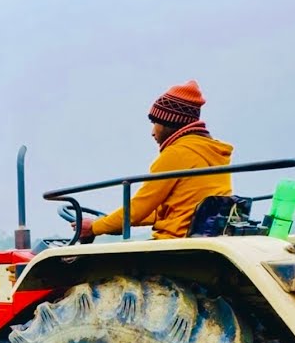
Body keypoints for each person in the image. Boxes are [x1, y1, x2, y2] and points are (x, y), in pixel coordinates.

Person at [78, 80, 234, 241]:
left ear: (170, 122)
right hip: (203, 237)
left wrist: (94, 228)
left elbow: (139, 208)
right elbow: (156, 211)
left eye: (155, 123)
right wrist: (106, 222)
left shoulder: (177, 154)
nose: (153, 132)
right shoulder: (212, 153)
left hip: (176, 242)